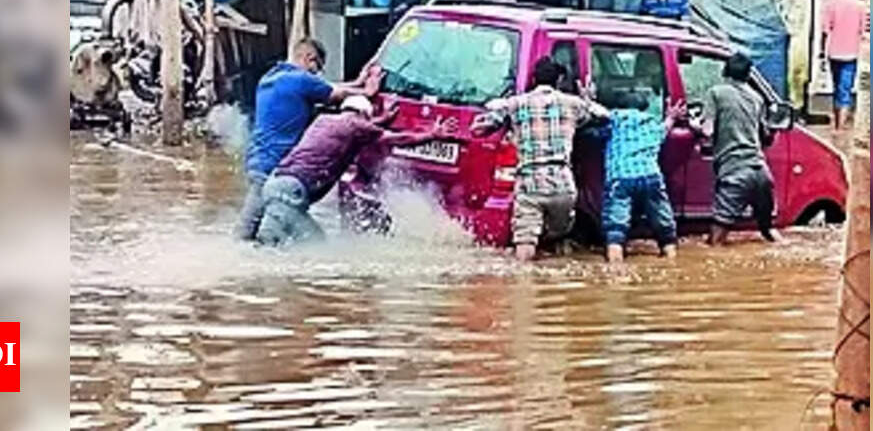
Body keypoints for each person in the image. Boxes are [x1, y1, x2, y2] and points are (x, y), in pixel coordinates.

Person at [256, 96, 455, 245]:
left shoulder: (324, 120)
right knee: (317, 252)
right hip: (291, 194)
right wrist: (433, 134)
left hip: (273, 185)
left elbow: (362, 128)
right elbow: (396, 139)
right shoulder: (356, 124)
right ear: (363, 115)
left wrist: (383, 118)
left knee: (267, 246)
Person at [236, 39, 380, 242]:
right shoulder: (302, 80)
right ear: (309, 58)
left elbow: (325, 87)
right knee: (247, 231)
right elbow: (336, 93)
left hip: (255, 160)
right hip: (273, 164)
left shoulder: (271, 78)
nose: (316, 74)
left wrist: (357, 82)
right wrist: (366, 91)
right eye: (317, 69)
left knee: (264, 227)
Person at [471, 57, 610, 262]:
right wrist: (587, 99)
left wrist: (493, 111)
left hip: (529, 183)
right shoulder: (572, 104)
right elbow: (605, 116)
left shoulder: (515, 104)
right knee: (557, 241)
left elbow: (478, 129)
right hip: (562, 186)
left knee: (525, 242)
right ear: (559, 80)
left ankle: (526, 285)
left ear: (534, 78)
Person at [690, 53, 781, 246]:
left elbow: (707, 131)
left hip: (735, 173)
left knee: (715, 241)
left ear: (725, 72)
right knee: (768, 232)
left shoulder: (717, 93)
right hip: (762, 173)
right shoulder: (757, 98)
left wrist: (692, 124)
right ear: (748, 76)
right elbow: (765, 134)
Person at [600, 91, 686, 262]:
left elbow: (594, 113)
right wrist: (671, 115)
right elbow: (666, 128)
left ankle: (615, 269)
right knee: (665, 229)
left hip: (621, 177)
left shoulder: (614, 120)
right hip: (650, 176)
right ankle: (671, 260)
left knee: (615, 230)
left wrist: (586, 97)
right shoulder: (652, 123)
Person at [821, 0, 869, 130]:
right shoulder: (860, 6)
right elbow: (863, 31)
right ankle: (840, 128)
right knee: (845, 88)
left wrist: (822, 50)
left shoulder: (832, 4)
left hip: (834, 52)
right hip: (851, 53)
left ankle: (836, 124)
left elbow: (825, 31)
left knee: (836, 87)